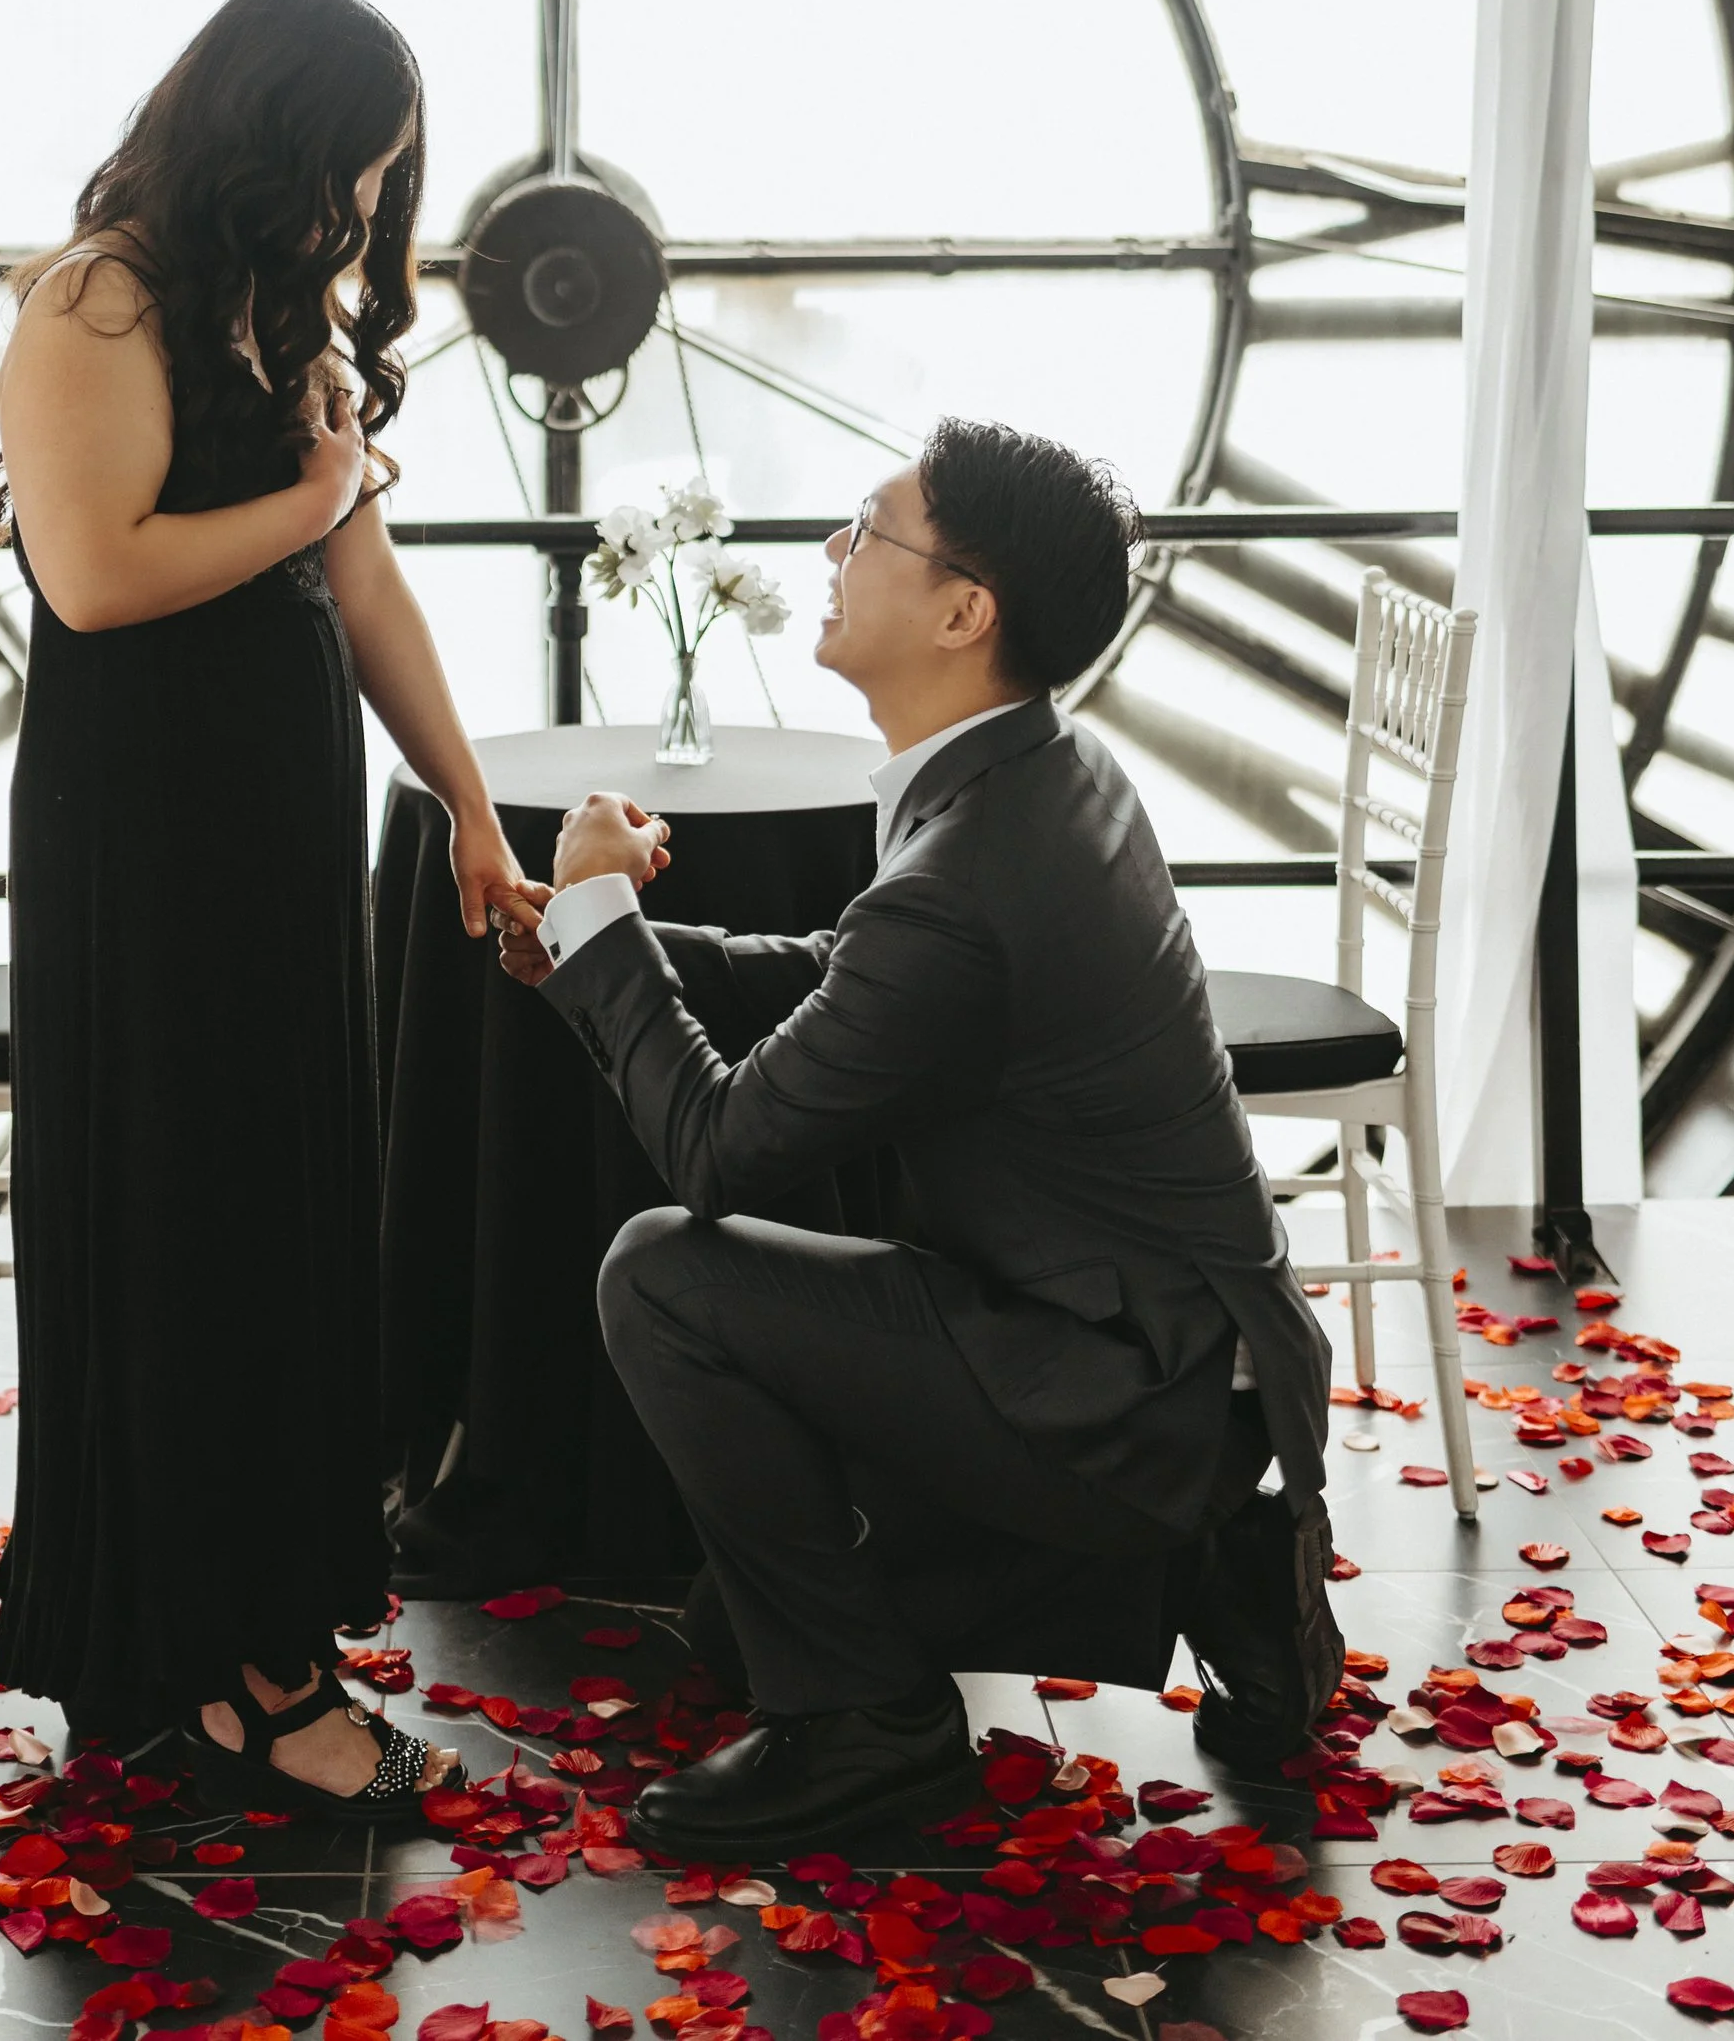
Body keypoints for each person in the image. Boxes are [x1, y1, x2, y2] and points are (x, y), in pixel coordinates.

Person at [498, 417, 1336, 1846]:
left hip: (1118, 1391)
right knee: (723, 1625)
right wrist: (610, 935)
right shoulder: (1036, 775)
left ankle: (871, 1725)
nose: (829, 550)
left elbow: (713, 1149)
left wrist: (598, 916)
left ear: (964, 611)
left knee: (661, 1269)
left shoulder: (971, 867)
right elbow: (858, 973)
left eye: (866, 531)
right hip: (1177, 1352)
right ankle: (1211, 1565)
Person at [0, 0, 521, 1811]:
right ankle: (228, 1672)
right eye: (341, 176)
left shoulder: (259, 310)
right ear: (257, 134)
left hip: (279, 836)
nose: (357, 219)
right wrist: (320, 494)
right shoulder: (99, 302)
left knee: (279, 1229)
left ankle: (251, 1636)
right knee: (183, 1231)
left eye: (378, 190)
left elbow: (364, 593)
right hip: (145, 847)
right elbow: (95, 576)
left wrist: (466, 799)